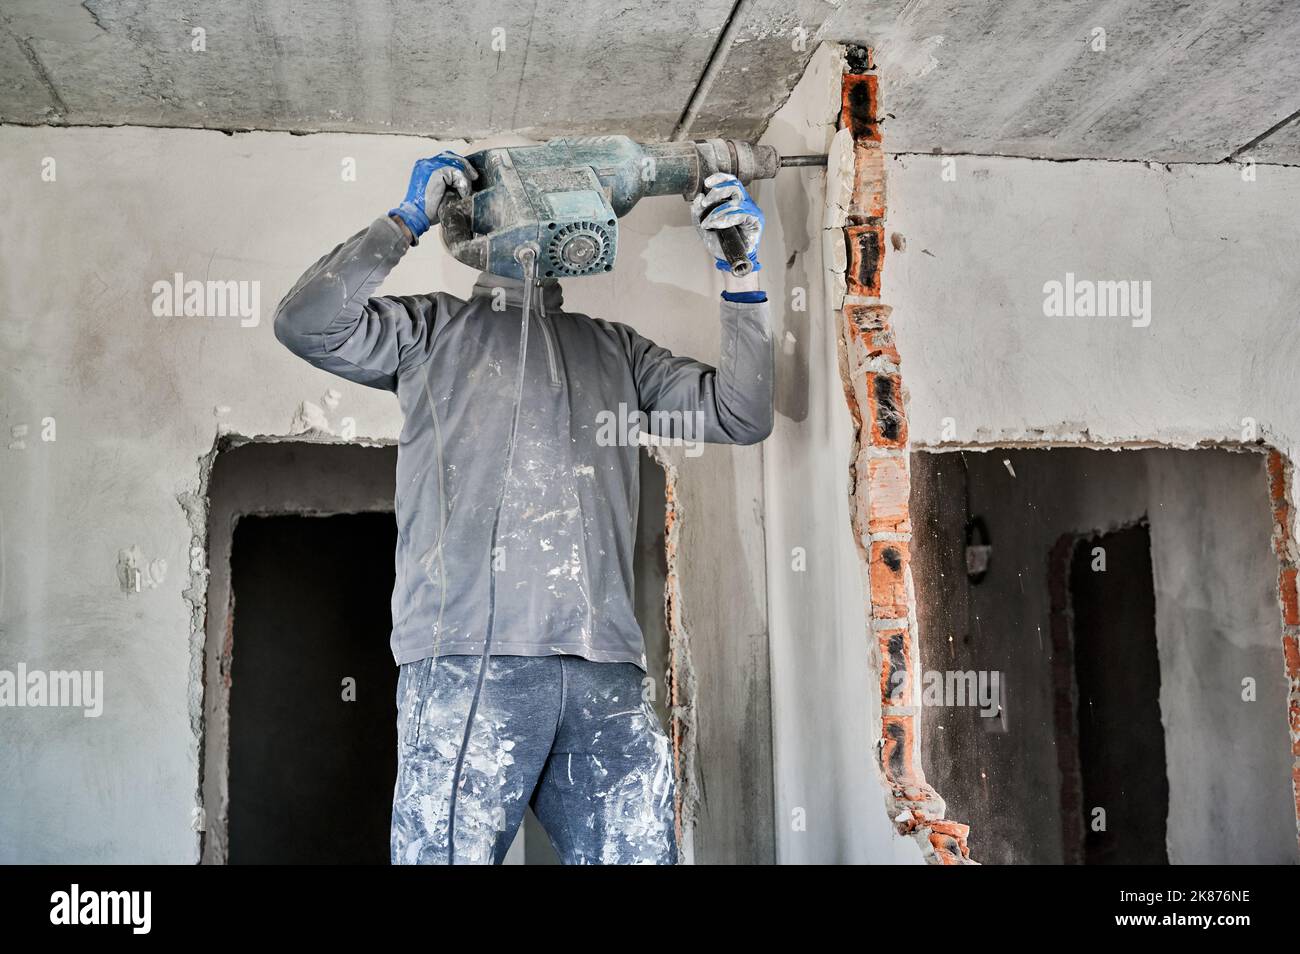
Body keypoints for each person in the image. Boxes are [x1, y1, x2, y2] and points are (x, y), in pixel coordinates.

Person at [272, 151, 774, 864]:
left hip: (601, 669)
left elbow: (741, 414)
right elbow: (306, 323)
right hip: (467, 663)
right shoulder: (429, 332)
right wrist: (404, 219)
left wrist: (740, 272)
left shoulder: (614, 350)